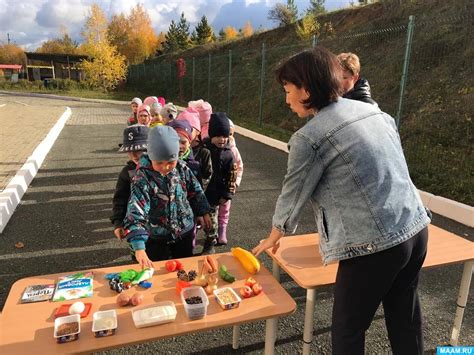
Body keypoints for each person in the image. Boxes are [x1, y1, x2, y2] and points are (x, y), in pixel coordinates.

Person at [252, 47, 431, 355]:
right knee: (405, 316)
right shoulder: (376, 112)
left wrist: (274, 234)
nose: (286, 99)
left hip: (373, 247)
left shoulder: (310, 137)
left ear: (306, 89)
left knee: (348, 330)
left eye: (288, 90)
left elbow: (293, 191)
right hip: (415, 230)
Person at [124, 126, 212, 268]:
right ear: (151, 156)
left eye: (171, 162)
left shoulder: (182, 168)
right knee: (158, 271)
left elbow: (195, 190)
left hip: (184, 232)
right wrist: (139, 247)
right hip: (156, 237)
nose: (165, 167)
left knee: (184, 268)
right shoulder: (142, 178)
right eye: (159, 163)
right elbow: (136, 210)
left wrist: (203, 211)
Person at [202, 112, 237, 254]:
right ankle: (189, 240)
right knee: (195, 220)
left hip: (215, 195)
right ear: (211, 135)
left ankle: (210, 243)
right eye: (218, 136)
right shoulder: (204, 150)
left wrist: (227, 194)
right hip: (200, 193)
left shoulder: (228, 154)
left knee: (211, 221)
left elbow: (232, 175)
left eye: (225, 136)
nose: (222, 139)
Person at [110, 124, 149, 240]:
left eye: (138, 150)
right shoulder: (127, 172)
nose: (133, 155)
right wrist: (118, 222)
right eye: (129, 150)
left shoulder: (161, 167)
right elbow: (120, 198)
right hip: (136, 225)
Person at [216, 119, 243, 245]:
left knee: (225, 208)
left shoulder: (234, 150)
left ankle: (222, 230)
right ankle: (212, 230)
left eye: (230, 134)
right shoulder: (213, 148)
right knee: (213, 209)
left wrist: (236, 182)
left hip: (227, 186)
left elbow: (239, 166)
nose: (227, 138)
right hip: (214, 186)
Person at [177, 108, 213, 191]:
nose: (186, 130)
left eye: (191, 128)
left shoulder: (204, 152)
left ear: (198, 131)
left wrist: (198, 191)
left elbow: (207, 176)